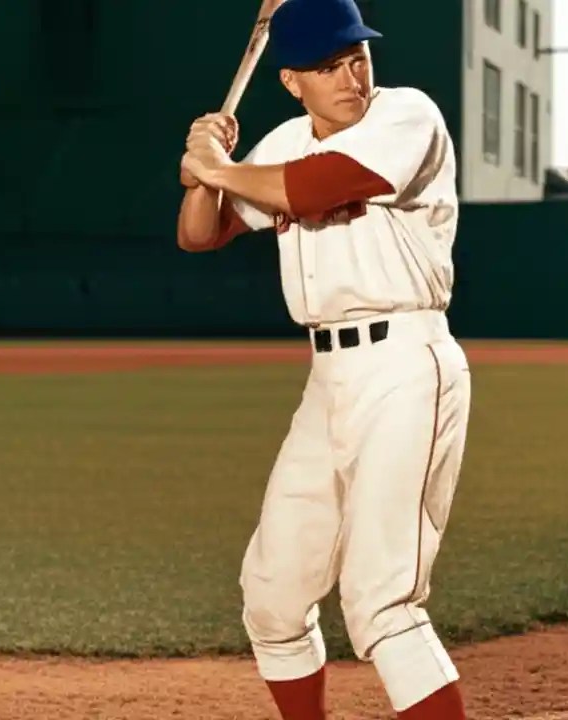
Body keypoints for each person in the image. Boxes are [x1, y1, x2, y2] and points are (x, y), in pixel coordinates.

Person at [175, 0, 471, 717]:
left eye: (356, 57)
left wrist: (220, 167)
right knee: (273, 598)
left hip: (406, 367)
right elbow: (199, 235)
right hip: (328, 381)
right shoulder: (279, 141)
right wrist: (201, 175)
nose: (350, 76)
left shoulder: (407, 115)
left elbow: (314, 187)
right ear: (290, 81)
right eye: (327, 66)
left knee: (381, 603)